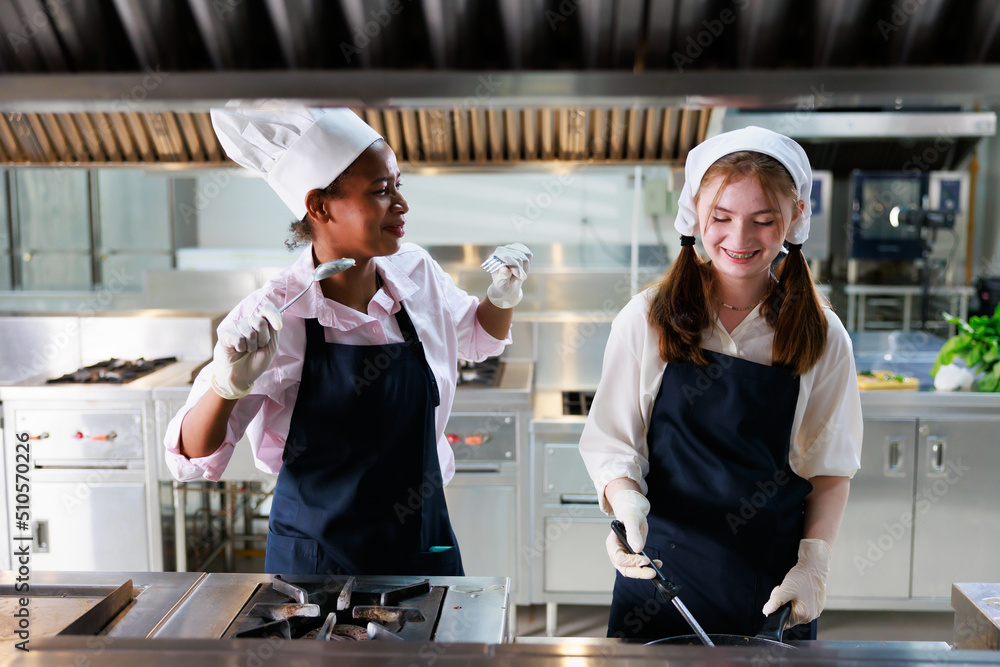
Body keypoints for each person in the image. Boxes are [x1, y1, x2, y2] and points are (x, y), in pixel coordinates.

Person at [164, 104, 532, 577]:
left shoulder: (415, 270)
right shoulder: (274, 315)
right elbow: (192, 460)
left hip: (421, 537)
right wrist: (224, 387)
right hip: (315, 560)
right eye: (381, 191)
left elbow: (478, 338)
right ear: (319, 206)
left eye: (399, 185)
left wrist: (503, 296)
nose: (401, 204)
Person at [579, 126, 862, 641]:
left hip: (771, 589)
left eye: (763, 220)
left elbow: (830, 469)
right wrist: (624, 501)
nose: (739, 239)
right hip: (659, 580)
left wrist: (814, 564)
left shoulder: (822, 333)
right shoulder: (647, 317)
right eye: (722, 218)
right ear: (694, 213)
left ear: (795, 217)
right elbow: (613, 441)